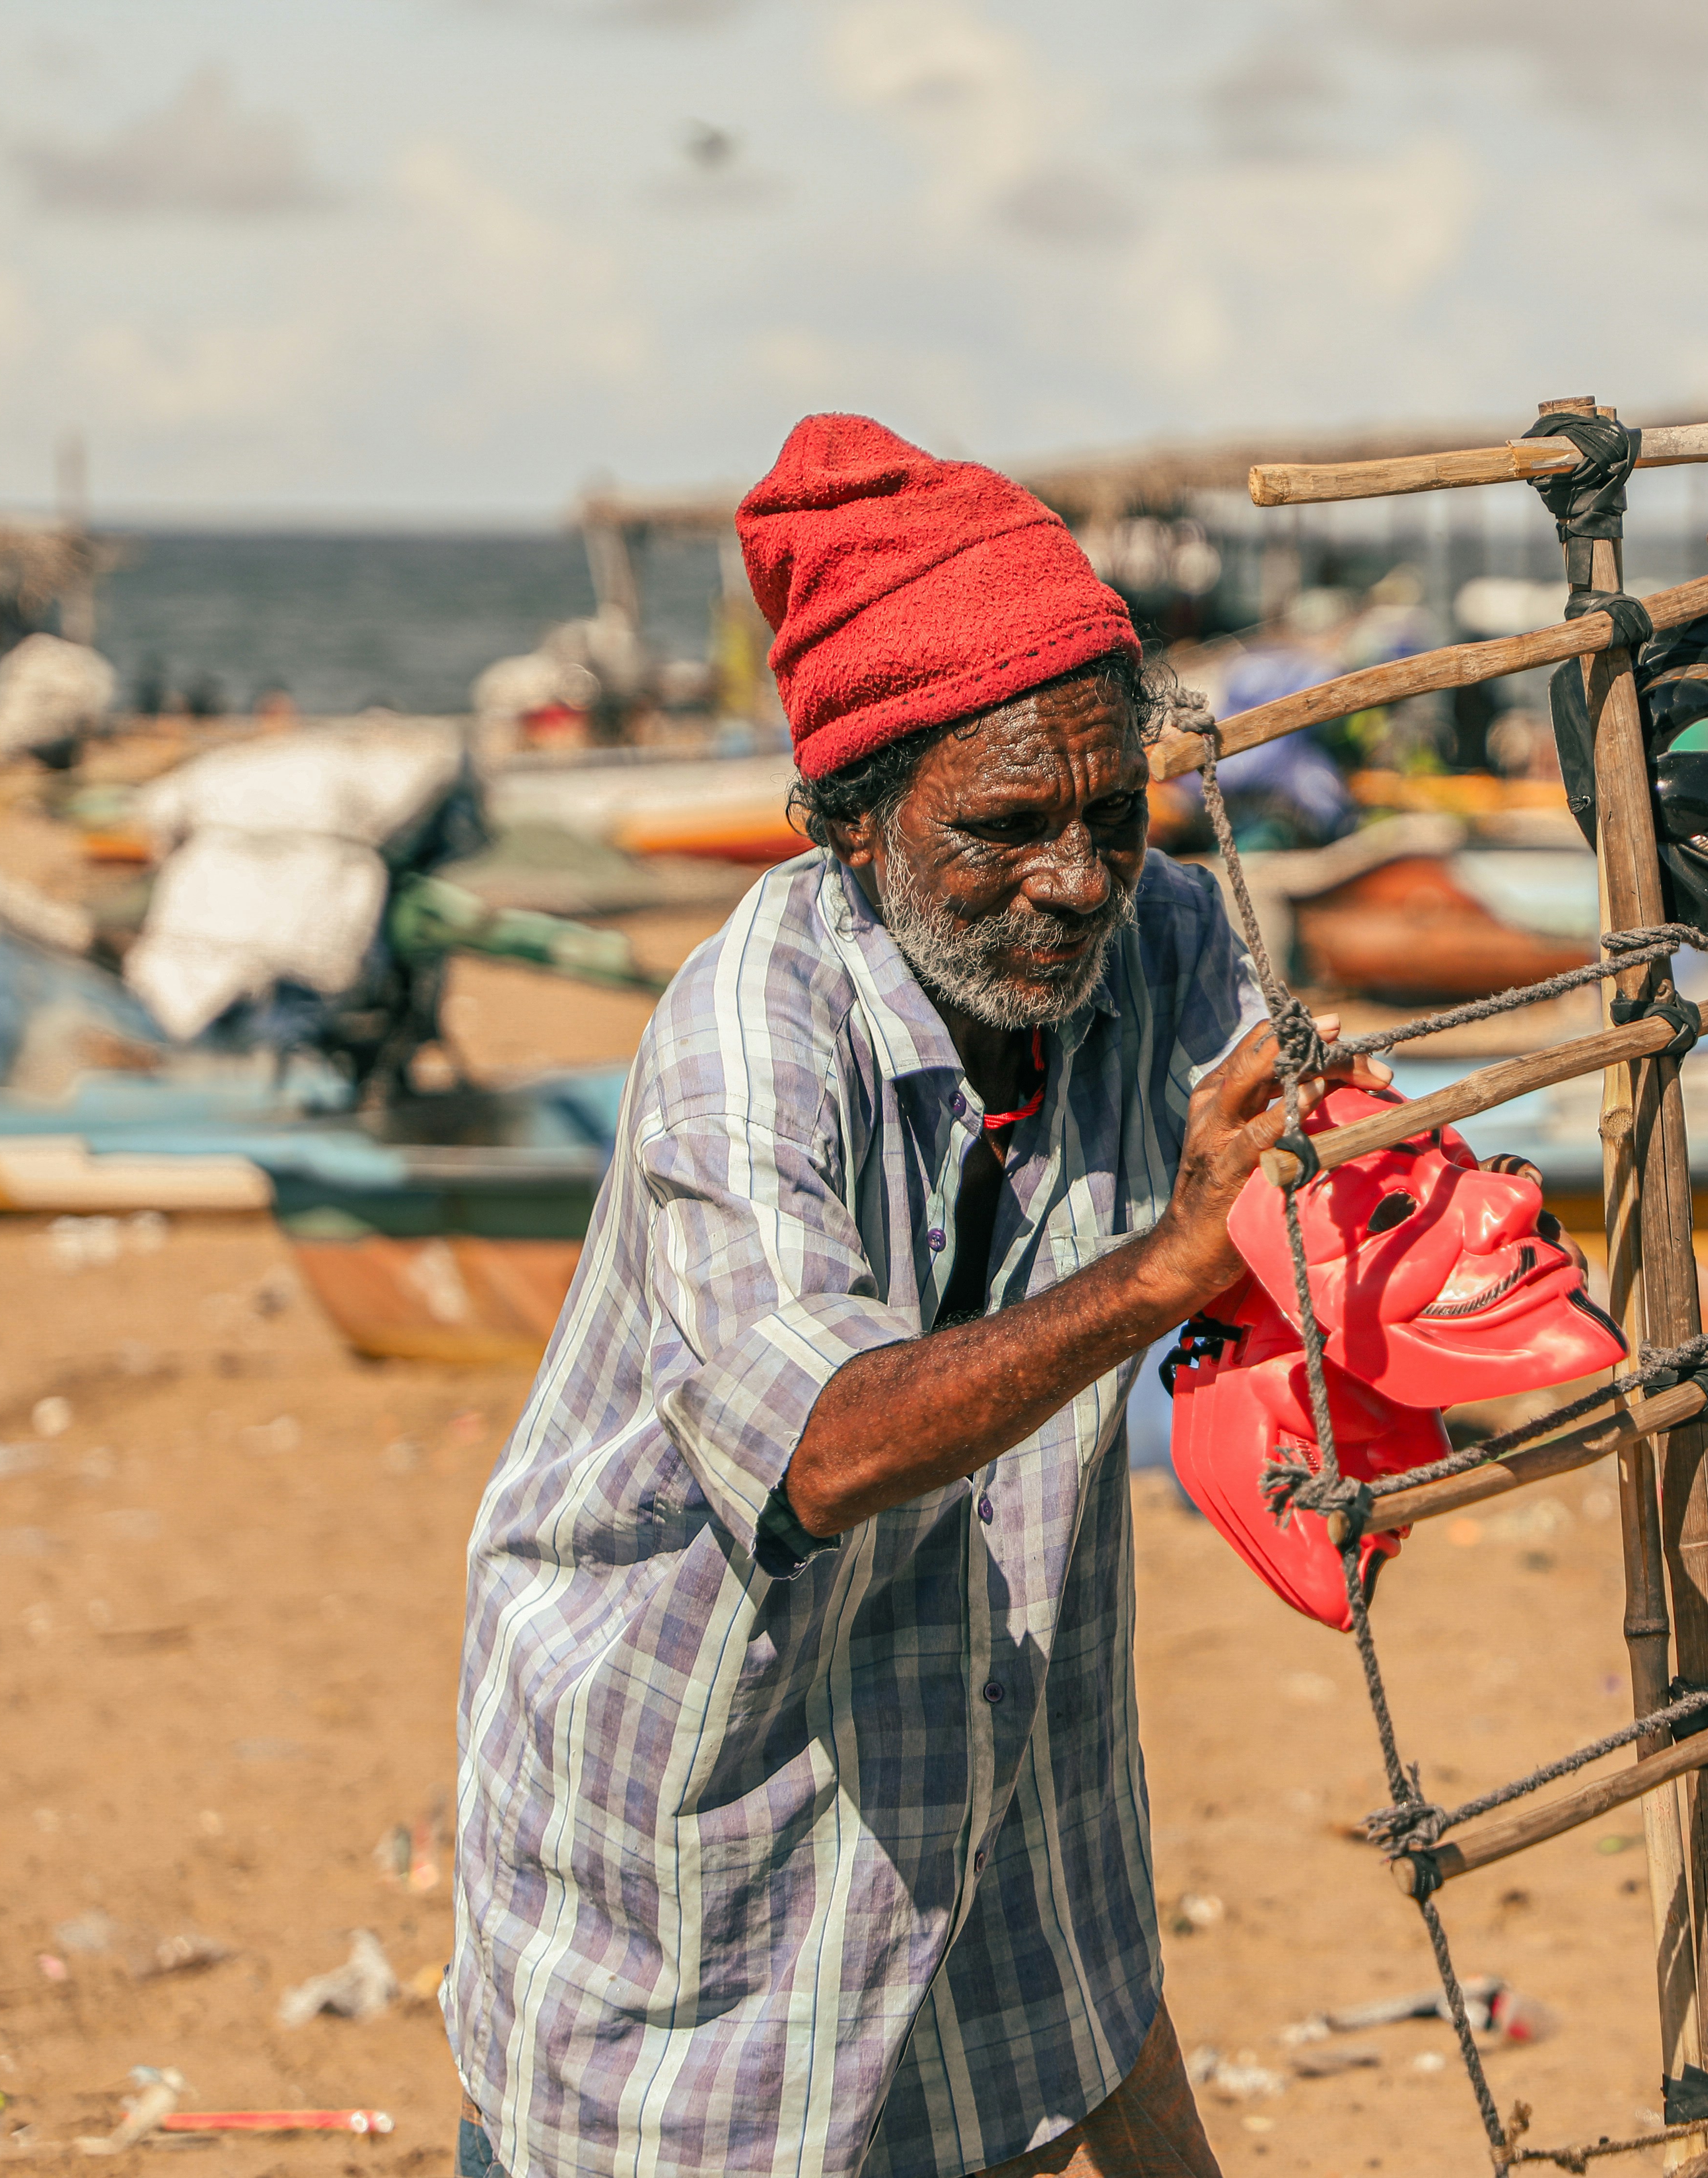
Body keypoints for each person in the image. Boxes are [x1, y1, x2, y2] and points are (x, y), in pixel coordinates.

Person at [445, 415, 1381, 2178]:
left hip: (998, 1789)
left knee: (1029, 2059)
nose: (1080, 879)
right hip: (696, 1823)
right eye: (1010, 827)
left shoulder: (1166, 943)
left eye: (1115, 815)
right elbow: (820, 1447)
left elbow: (1322, 1156)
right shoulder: (746, 1038)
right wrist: (1168, 1271)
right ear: (850, 827)